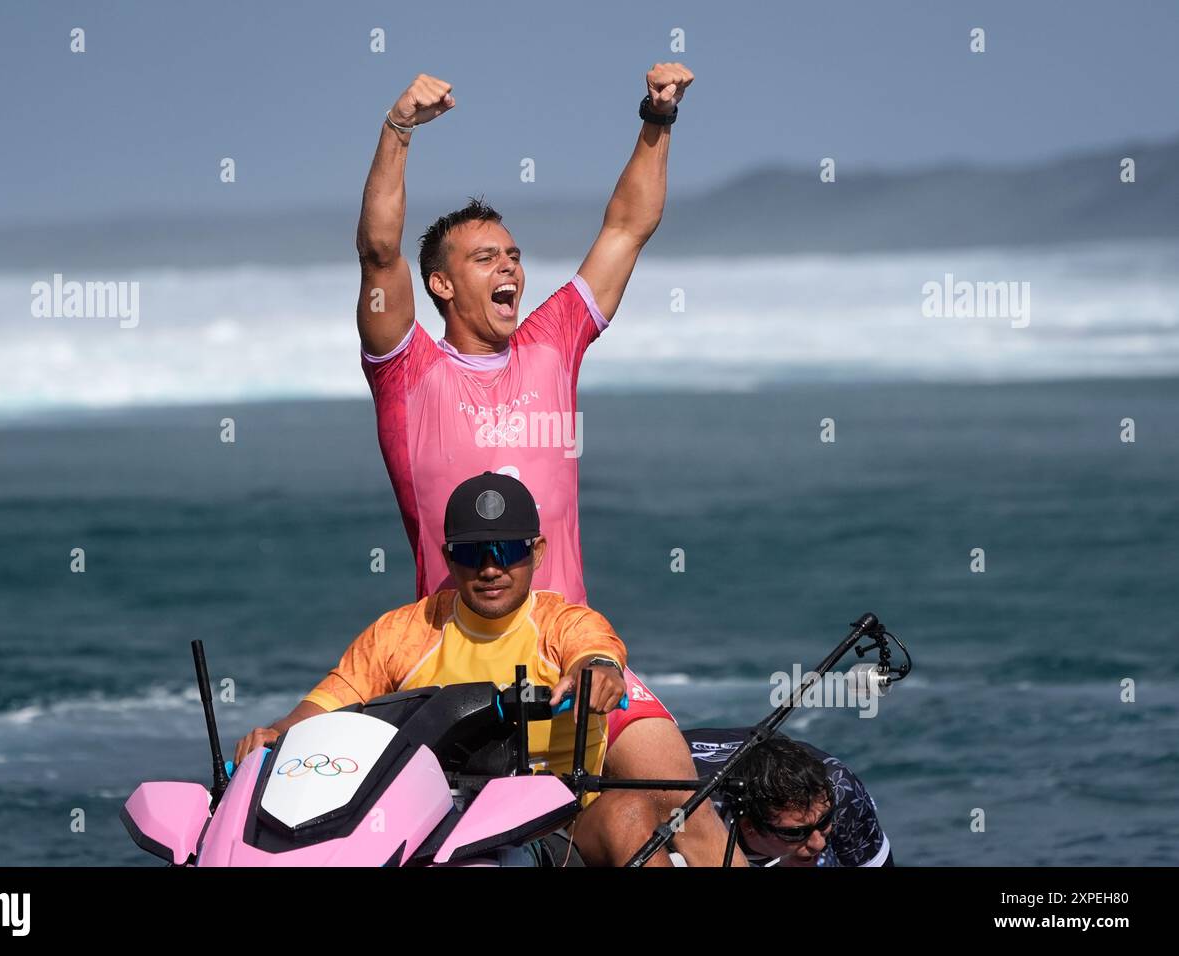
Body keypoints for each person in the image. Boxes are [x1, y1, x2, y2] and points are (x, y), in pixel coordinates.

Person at [351, 67, 735, 865]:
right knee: (578, 846)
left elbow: (627, 227)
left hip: (580, 659)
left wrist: (657, 119)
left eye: (515, 255)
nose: (511, 270)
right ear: (441, 283)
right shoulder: (405, 371)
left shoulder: (553, 342)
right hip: (460, 674)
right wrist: (399, 128)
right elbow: (378, 247)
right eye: (486, 257)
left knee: (691, 819)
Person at [235, 472, 674, 866]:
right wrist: (275, 734)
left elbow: (595, 654)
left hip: (558, 822)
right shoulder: (400, 633)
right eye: (472, 552)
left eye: (507, 550)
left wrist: (595, 673)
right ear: (448, 558)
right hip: (431, 820)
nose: (490, 568)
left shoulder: (567, 623)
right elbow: (324, 706)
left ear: (536, 553)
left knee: (631, 811)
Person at [684, 729, 894, 867]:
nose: (818, 843)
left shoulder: (840, 790)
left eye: (823, 822)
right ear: (749, 827)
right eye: (796, 833)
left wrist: (812, 829)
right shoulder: (693, 810)